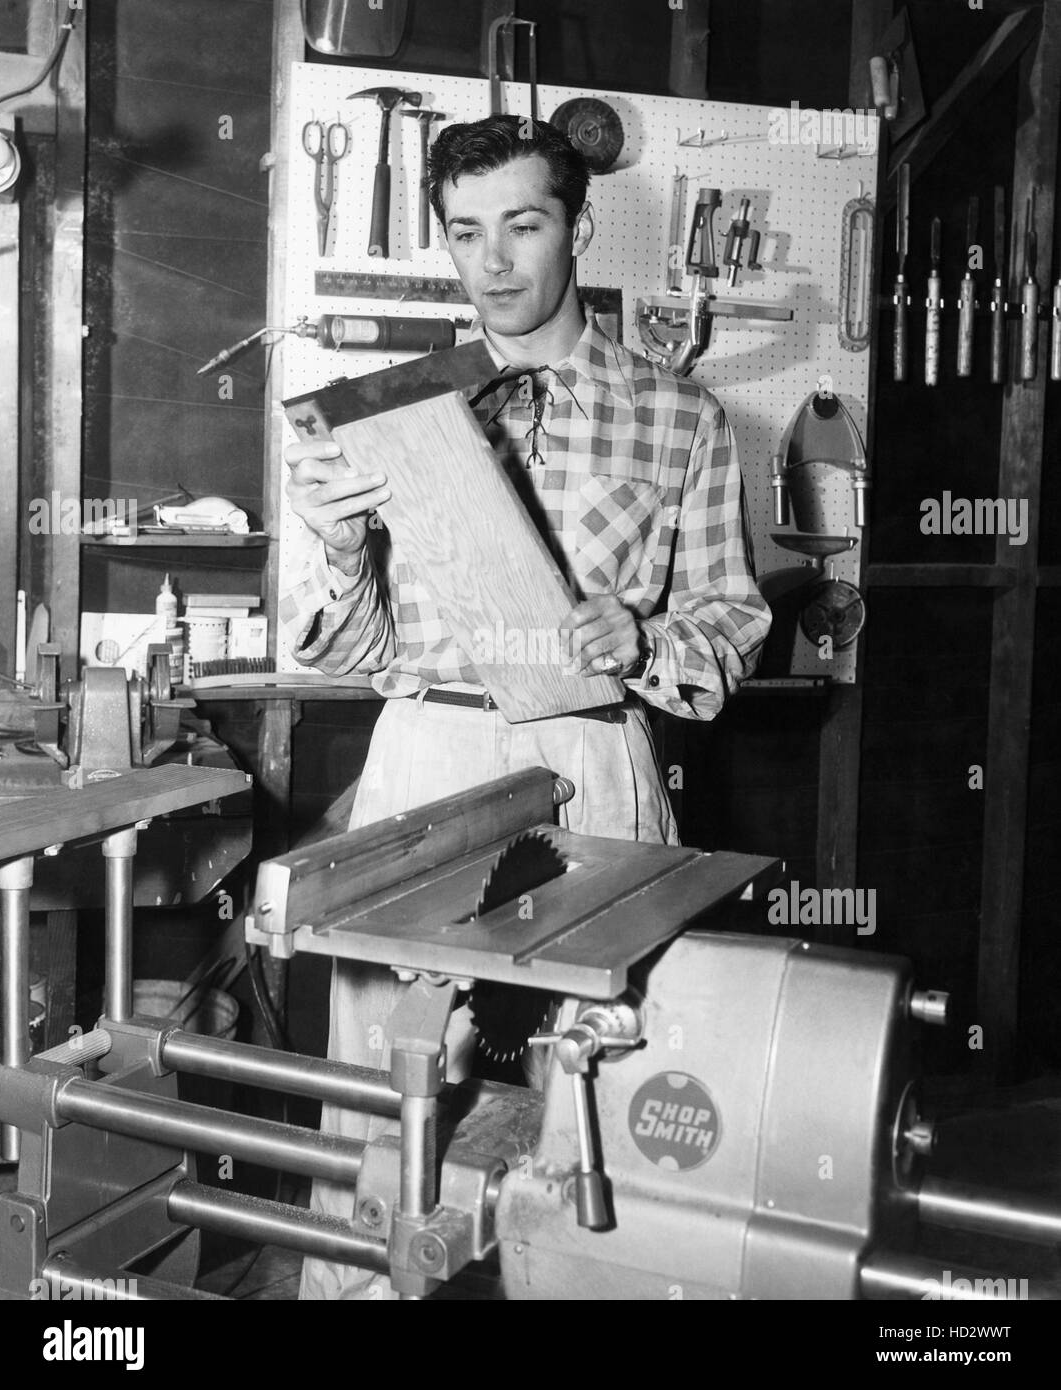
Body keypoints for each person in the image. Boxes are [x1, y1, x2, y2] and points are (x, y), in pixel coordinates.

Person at [281, 114, 771, 1299]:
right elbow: (356, 651)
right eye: (464, 232)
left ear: (580, 226)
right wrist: (342, 551)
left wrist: (648, 638)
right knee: (385, 1101)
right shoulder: (397, 413)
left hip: (589, 761)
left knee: (587, 1093)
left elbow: (734, 627)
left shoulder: (684, 416)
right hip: (427, 764)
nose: (492, 260)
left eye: (523, 224)